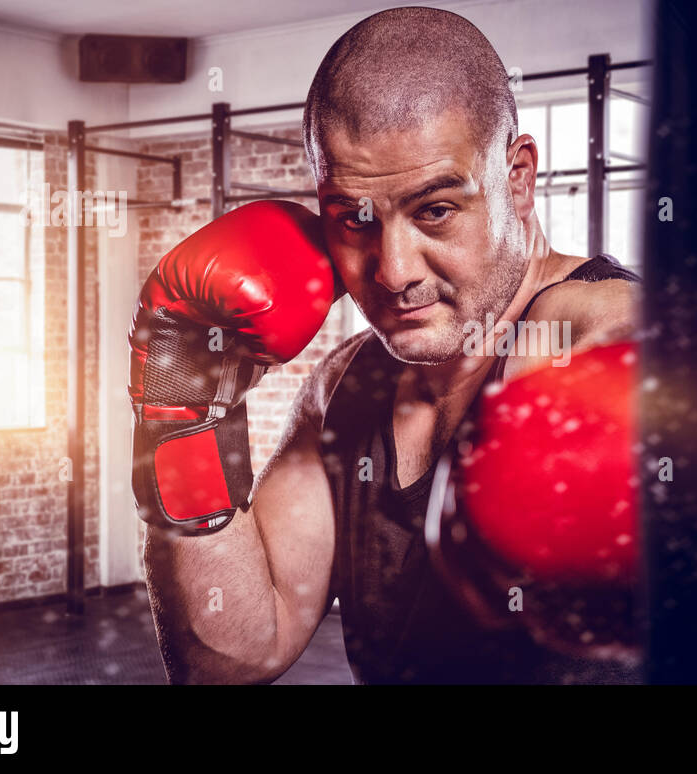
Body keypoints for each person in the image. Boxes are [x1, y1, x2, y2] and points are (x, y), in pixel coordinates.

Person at [129, 6, 640, 684]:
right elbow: (228, 658)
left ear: (517, 178)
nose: (394, 271)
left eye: (436, 210)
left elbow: (627, 336)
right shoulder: (344, 390)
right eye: (354, 219)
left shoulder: (582, 330)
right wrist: (181, 403)